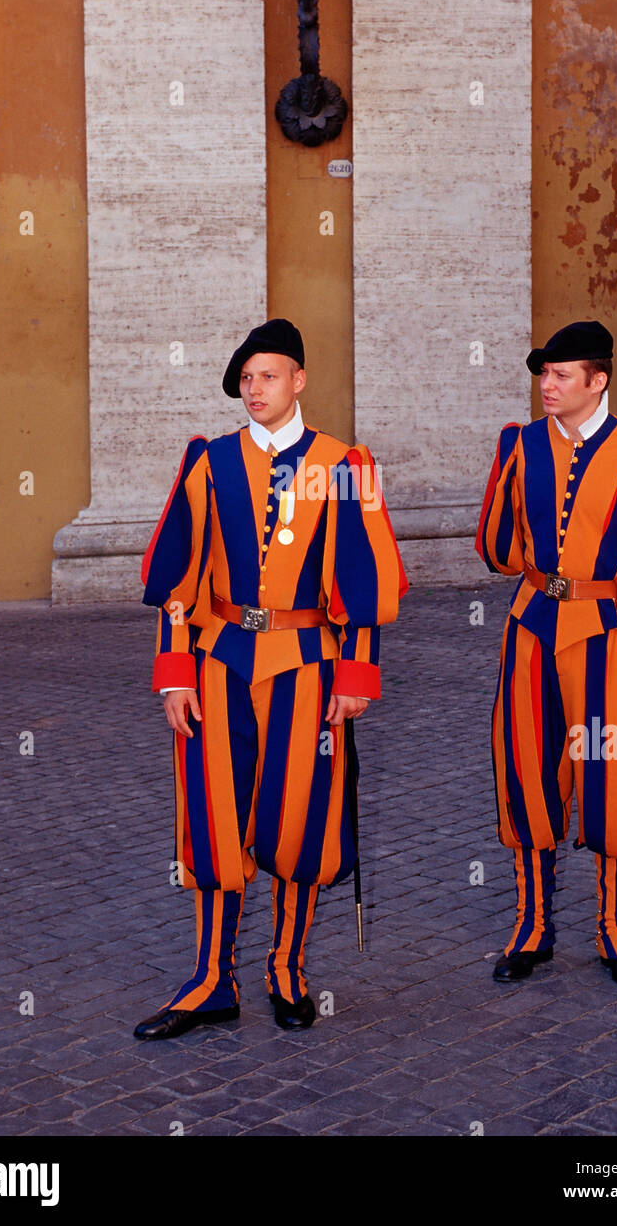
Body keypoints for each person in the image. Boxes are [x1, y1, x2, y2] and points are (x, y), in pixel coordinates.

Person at [133, 318, 408, 1038]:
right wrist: (173, 672)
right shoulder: (210, 463)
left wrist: (357, 675)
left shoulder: (342, 466)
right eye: (246, 380)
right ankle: (208, 980)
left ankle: (286, 968)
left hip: (307, 663)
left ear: (300, 380)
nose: (256, 390)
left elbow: (365, 581)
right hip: (219, 660)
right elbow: (177, 581)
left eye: (269, 376)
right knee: (213, 817)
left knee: (298, 819)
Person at [475, 320, 617, 989]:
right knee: (527, 767)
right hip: (531, 624)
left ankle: (615, 928)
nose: (547, 386)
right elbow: (498, 546)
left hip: (607, 630)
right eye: (543, 375)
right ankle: (532, 926)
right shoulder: (519, 447)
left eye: (561, 375)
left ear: (597, 380)